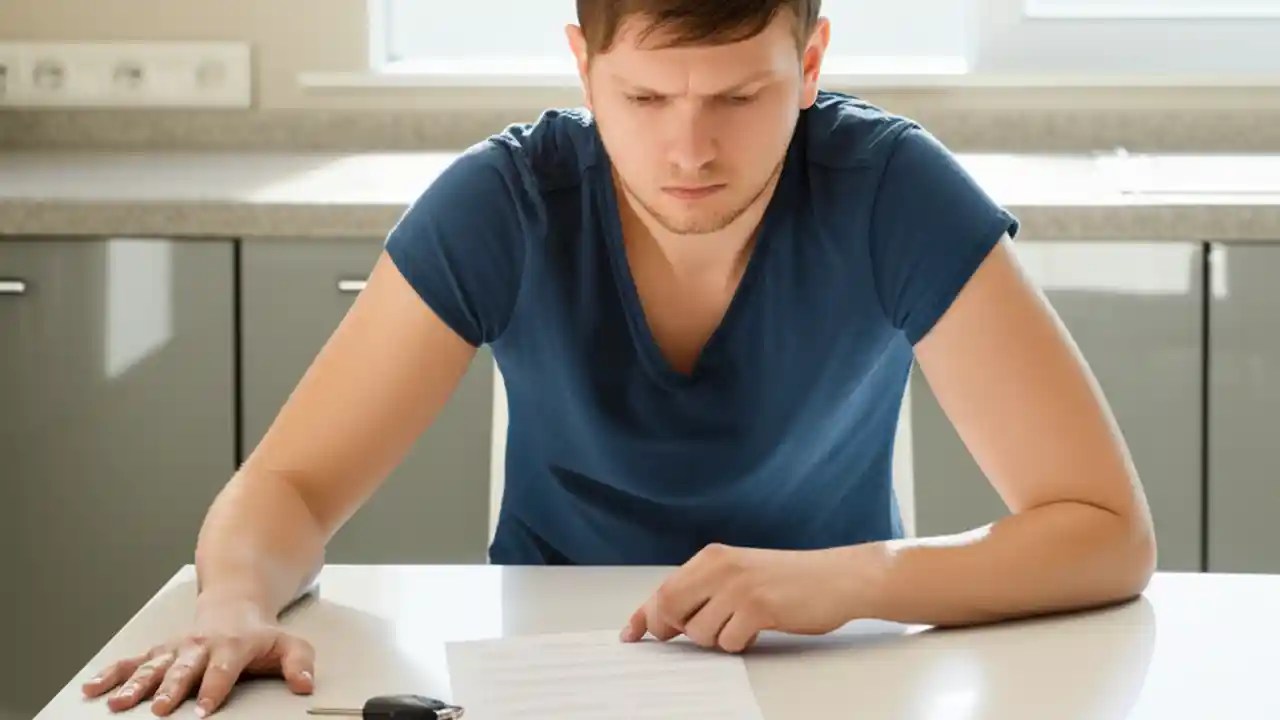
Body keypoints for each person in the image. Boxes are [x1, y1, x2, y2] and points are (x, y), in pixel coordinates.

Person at [82, 0, 1157, 716]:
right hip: (549, 679)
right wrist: (231, 599)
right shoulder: (505, 200)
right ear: (582, 66)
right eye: (644, 98)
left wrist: (852, 581)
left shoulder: (892, 191)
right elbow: (289, 485)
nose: (690, 149)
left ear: (811, 62)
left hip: (839, 672)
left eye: (739, 96)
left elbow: (1104, 534)